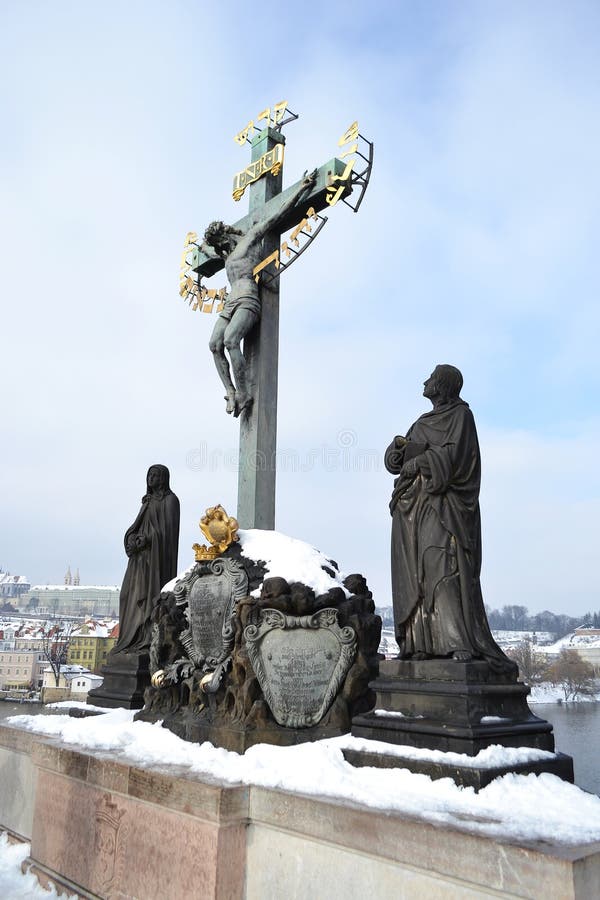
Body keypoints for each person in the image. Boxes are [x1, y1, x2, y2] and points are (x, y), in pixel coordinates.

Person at [385, 365, 513, 672]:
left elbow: (457, 460)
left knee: (442, 566)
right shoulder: (421, 422)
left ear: (442, 385)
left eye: (430, 377)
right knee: (415, 573)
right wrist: (398, 449)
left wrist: (422, 461)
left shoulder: (461, 417)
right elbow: (394, 464)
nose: (425, 381)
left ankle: (456, 641)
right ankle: (418, 644)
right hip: (409, 508)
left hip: (443, 507)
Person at [202, 169, 317, 417]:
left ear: (226, 234)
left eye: (219, 240)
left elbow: (275, 217)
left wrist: (301, 188)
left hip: (247, 298)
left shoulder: (250, 238)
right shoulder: (226, 255)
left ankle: (244, 392)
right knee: (214, 344)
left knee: (231, 340)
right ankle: (231, 391)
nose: (219, 246)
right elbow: (203, 251)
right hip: (230, 303)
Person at [113, 464, 180, 654]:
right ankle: (129, 640)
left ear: (164, 478)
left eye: (156, 475)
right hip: (139, 560)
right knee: (127, 595)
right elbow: (137, 526)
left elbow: (168, 536)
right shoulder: (147, 502)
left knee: (147, 600)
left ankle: (146, 638)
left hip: (156, 563)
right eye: (149, 475)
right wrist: (132, 539)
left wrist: (149, 539)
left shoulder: (171, 501)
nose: (151, 478)